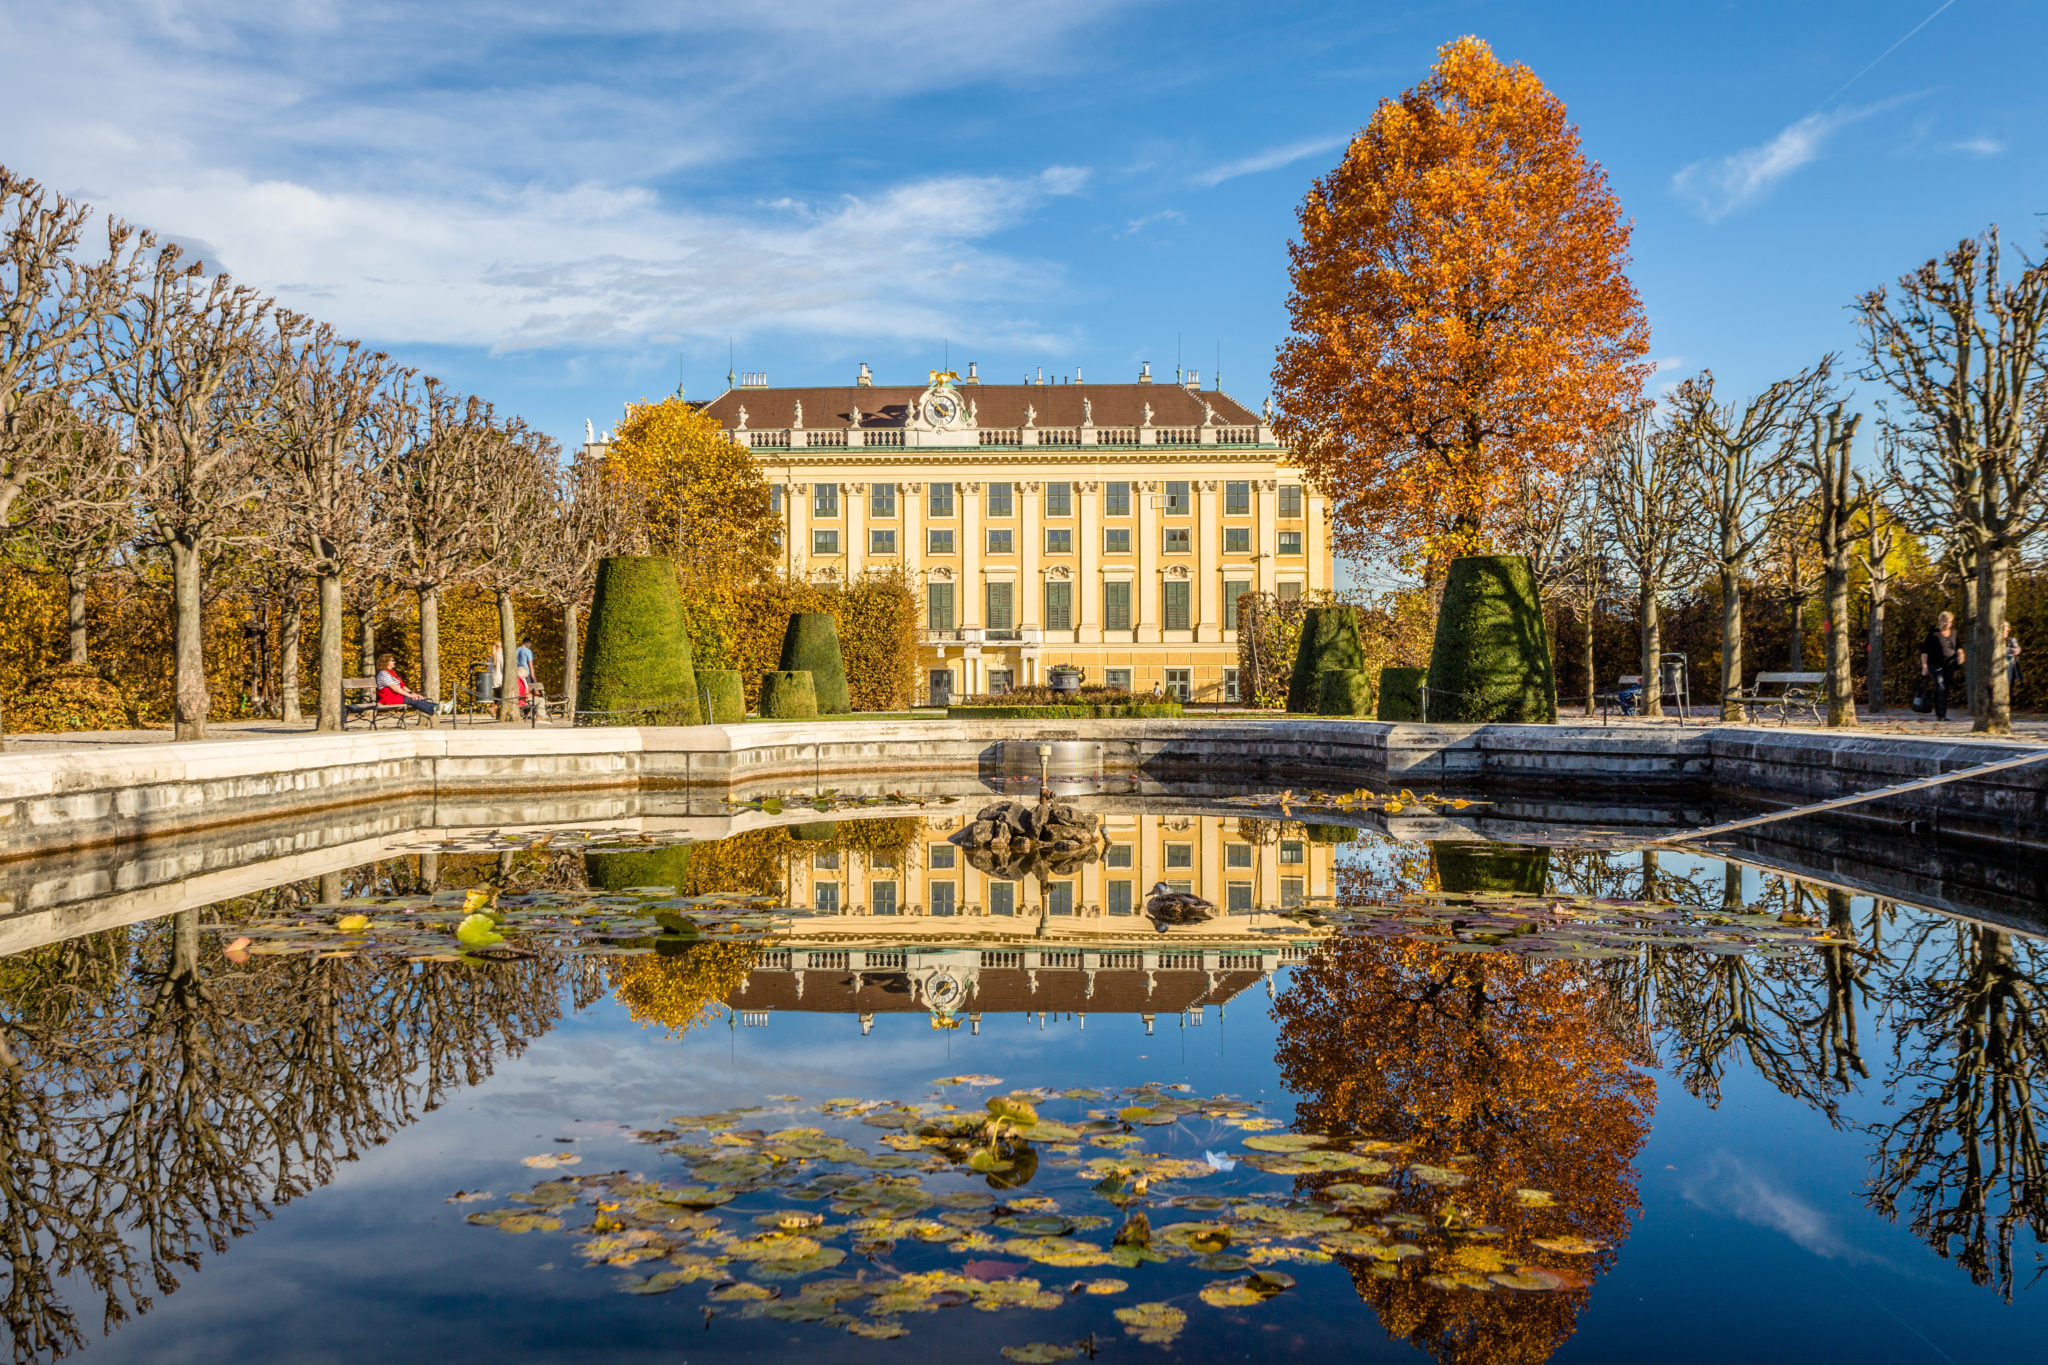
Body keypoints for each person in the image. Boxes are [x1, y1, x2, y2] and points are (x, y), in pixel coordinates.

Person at [1919, 611, 1964, 721]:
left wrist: (1961, 656)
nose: (1947, 624)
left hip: (1949, 665)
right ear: (1940, 621)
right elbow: (1925, 652)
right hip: (1935, 664)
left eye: (1949, 622)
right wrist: (1924, 666)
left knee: (1946, 688)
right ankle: (1940, 714)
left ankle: (1942, 713)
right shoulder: (1933, 634)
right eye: (1945, 622)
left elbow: (1958, 647)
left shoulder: (1954, 633)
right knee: (1940, 686)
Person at [375, 654, 440, 719]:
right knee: (412, 699)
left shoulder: (391, 673)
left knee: (418, 698)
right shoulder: (383, 674)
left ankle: (437, 707)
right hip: (389, 697)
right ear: (386, 662)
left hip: (396, 696)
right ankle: (436, 708)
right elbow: (395, 688)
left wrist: (413, 694)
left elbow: (403, 687)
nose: (394, 662)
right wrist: (410, 696)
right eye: (392, 660)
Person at [2006, 620, 2022, 696]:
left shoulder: (2011, 640)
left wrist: (2017, 650)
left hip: (2009, 668)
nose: (2005, 632)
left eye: (2006, 630)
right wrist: (2009, 650)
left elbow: (2017, 649)